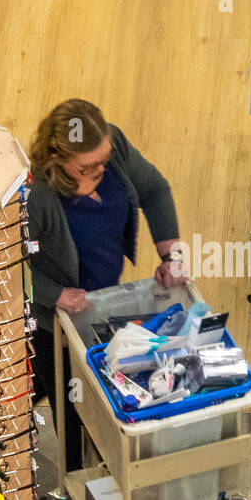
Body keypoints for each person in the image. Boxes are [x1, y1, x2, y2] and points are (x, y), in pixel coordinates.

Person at [26, 99, 184, 472]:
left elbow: (155, 191)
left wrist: (170, 256)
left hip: (97, 305)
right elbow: (9, 264)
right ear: (56, 157)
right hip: (53, 324)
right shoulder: (37, 197)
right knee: (72, 406)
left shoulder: (114, 150)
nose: (102, 168)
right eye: (88, 166)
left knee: (59, 385)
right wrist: (55, 294)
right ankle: (76, 484)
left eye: (104, 159)